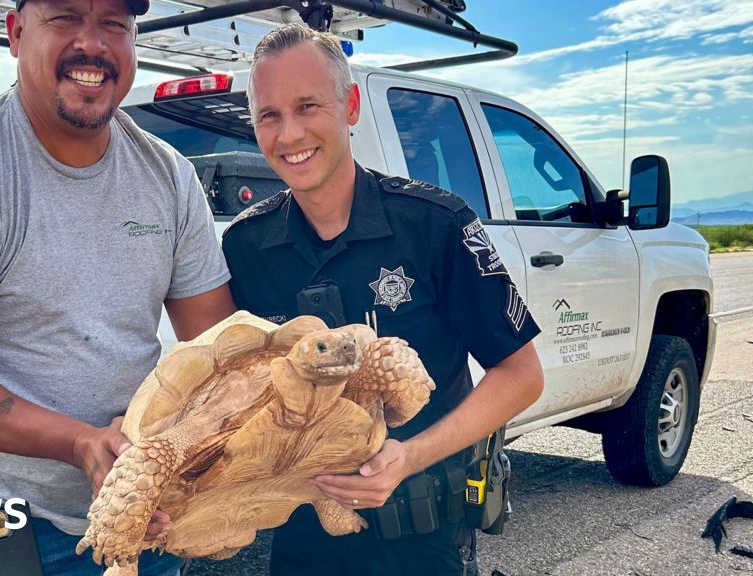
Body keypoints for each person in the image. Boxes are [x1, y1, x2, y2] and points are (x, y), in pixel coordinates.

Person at [0, 0, 235, 573]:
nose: (92, 43)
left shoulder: (167, 174)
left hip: (143, 512)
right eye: (65, 16)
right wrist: (80, 443)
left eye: (114, 23)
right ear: (16, 34)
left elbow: (217, 348)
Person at [221, 24, 545, 575]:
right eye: (269, 115)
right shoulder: (247, 246)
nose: (289, 133)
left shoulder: (434, 225)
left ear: (349, 105)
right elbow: (235, 394)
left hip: (422, 537)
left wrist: (408, 457)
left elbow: (521, 375)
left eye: (308, 106)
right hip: (303, 539)